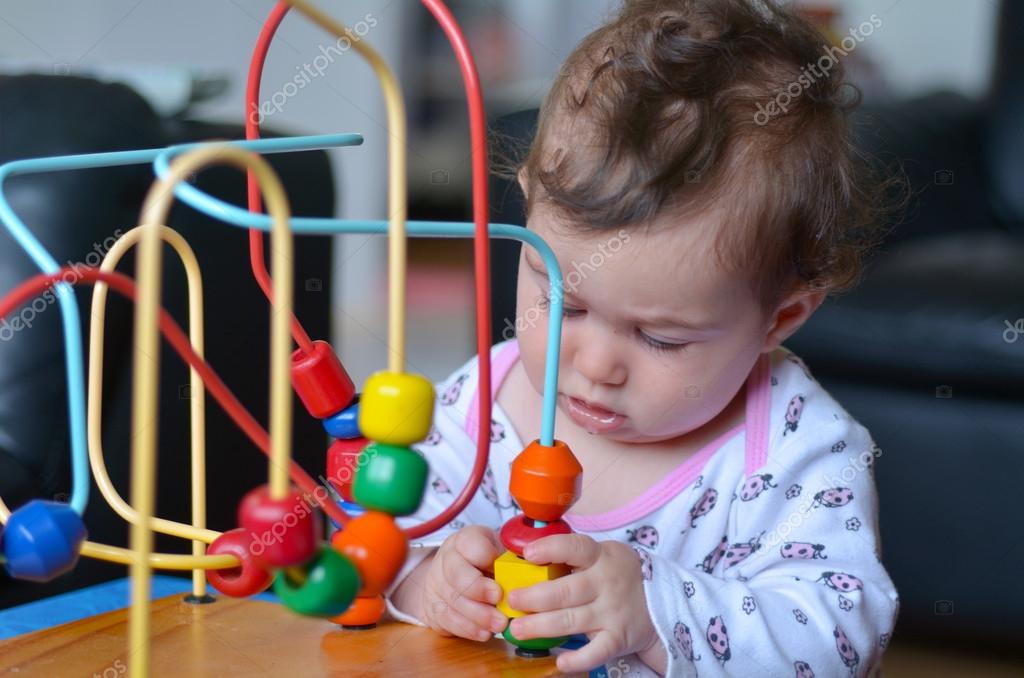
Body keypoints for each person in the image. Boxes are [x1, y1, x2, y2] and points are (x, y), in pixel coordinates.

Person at [387, 1, 900, 675]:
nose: (597, 365)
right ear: (527, 211)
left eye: (660, 338)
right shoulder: (479, 403)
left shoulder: (794, 451)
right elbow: (379, 539)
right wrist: (426, 580)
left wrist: (656, 610)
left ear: (779, 319)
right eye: (564, 302)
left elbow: (839, 640)